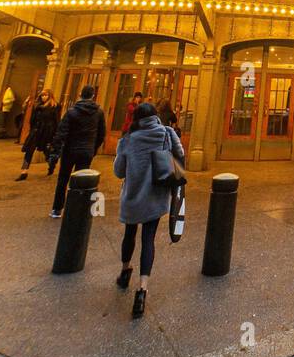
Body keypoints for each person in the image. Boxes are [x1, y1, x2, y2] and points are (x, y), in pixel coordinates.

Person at [114, 101, 183, 319]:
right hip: (155, 196)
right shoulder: (166, 132)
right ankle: (142, 289)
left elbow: (118, 170)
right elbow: (181, 157)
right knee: (148, 240)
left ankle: (125, 270)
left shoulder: (128, 138)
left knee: (129, 234)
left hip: (133, 197)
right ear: (156, 116)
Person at [50, 85, 107, 218]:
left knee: (63, 179)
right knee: (81, 181)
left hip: (70, 149)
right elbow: (101, 134)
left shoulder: (71, 112)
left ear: (80, 94)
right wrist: (94, 148)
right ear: (93, 95)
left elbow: (61, 132)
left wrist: (55, 150)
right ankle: (76, 209)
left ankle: (57, 209)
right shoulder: (98, 112)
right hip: (87, 150)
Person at [17, 89, 59, 181]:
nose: (44, 97)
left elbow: (56, 121)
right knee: (29, 151)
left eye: (46, 95)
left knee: (46, 152)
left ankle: (51, 165)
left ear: (50, 96)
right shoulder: (37, 107)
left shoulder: (54, 107)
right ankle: (24, 171)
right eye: (42, 95)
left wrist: (55, 134)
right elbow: (32, 120)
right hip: (35, 132)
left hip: (46, 133)